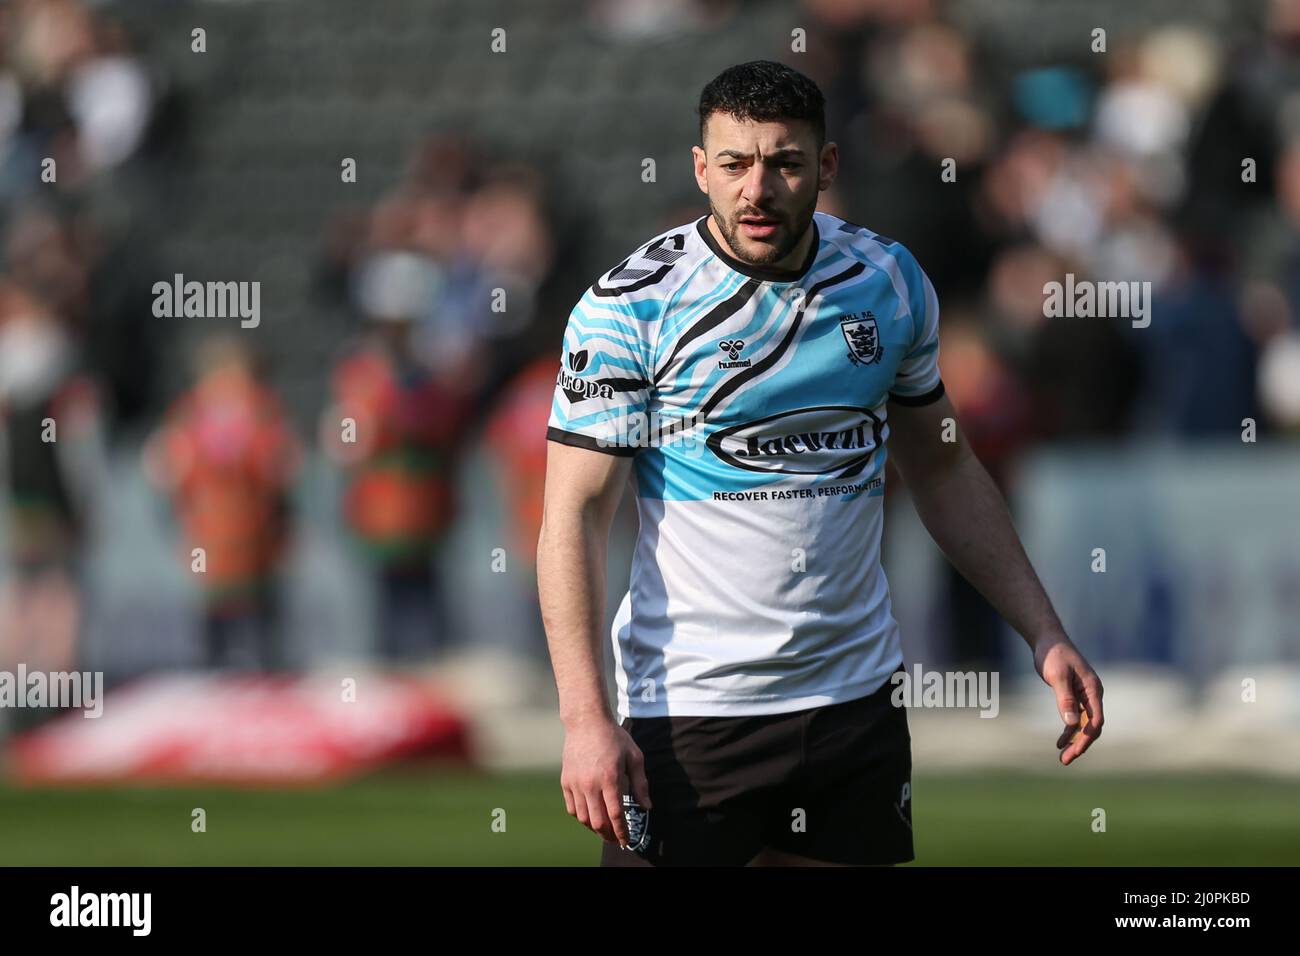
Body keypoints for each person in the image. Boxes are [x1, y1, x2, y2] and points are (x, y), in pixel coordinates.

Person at [537, 60, 1105, 868]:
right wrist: (585, 720)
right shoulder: (631, 307)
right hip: (692, 711)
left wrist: (1043, 631)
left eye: (785, 163)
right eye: (733, 164)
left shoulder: (887, 283)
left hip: (853, 705)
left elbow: (943, 470)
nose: (757, 189)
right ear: (701, 169)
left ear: (826, 167)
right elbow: (574, 518)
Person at [145, 335, 300, 671]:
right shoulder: (187, 420)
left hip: (257, 542)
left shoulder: (265, 416)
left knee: (261, 631)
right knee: (213, 631)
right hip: (209, 542)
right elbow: (169, 474)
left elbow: (281, 473)